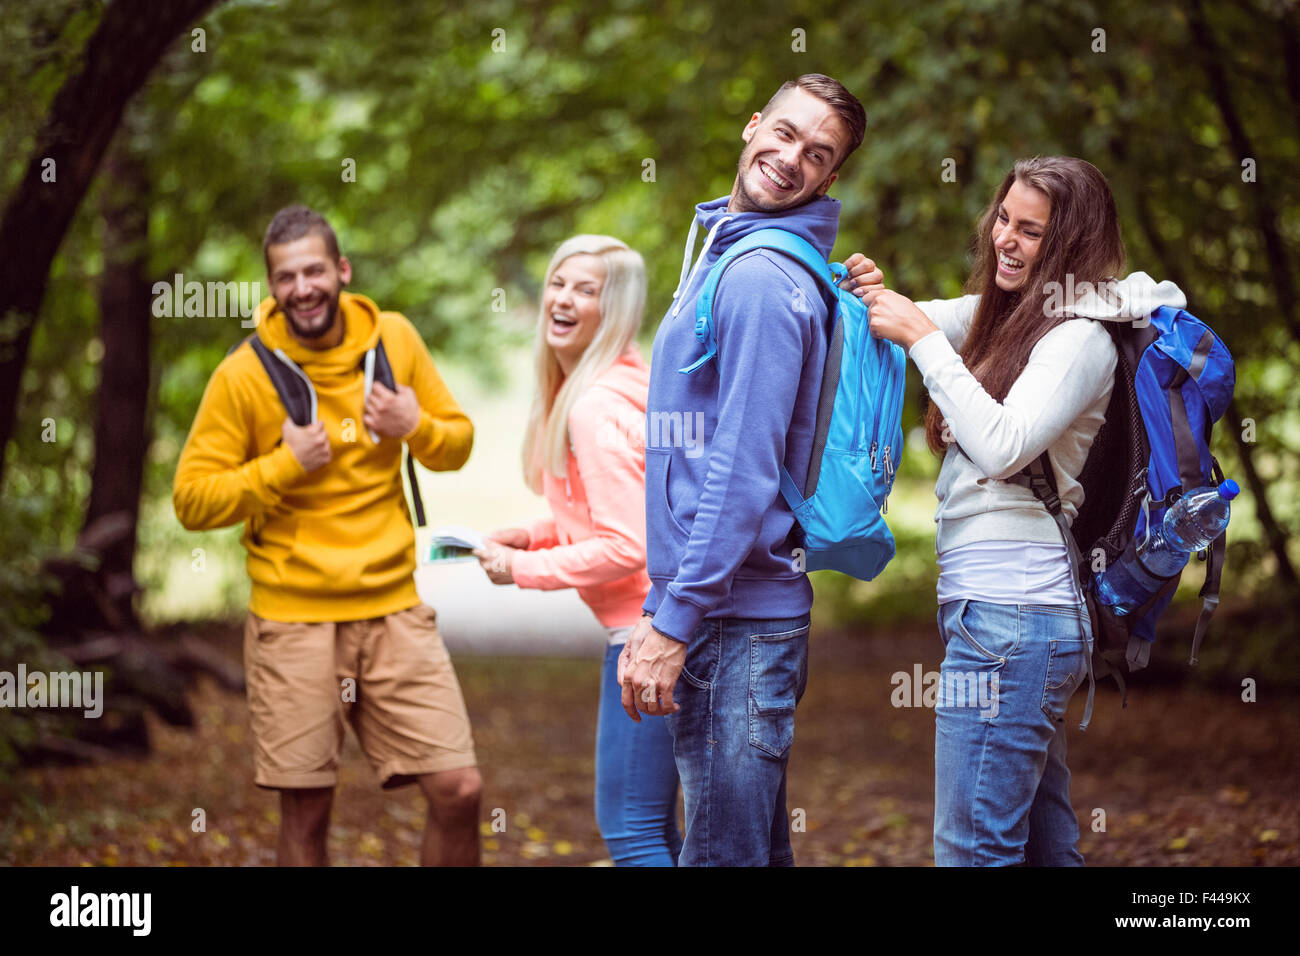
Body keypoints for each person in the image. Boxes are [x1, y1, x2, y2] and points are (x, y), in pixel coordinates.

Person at [843, 156, 1187, 866]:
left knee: (973, 852)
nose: (1007, 238)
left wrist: (924, 343)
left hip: (1013, 623)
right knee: (1042, 848)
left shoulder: (1080, 338)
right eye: (1004, 218)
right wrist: (862, 293)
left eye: (1031, 231)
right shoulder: (1012, 318)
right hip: (1010, 624)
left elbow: (1001, 445)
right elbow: (902, 317)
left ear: (1071, 245)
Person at [173, 205, 482, 866]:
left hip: (393, 610)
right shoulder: (244, 375)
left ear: (341, 270)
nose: (302, 288)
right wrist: (283, 465)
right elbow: (192, 500)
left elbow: (456, 444)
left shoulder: (394, 341)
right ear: (272, 288)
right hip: (294, 623)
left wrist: (413, 425)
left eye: (314, 270)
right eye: (286, 277)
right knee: (308, 812)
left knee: (459, 788)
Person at [617, 73, 867, 867]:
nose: (792, 158)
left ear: (831, 179)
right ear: (754, 124)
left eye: (818, 154)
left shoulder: (761, 276)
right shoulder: (732, 249)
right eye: (786, 133)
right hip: (734, 613)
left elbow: (742, 466)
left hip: (733, 619)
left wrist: (675, 618)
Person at [474, 235, 682, 867]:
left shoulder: (594, 406)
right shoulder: (626, 384)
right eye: (558, 283)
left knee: (633, 829)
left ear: (612, 308)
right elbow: (627, 504)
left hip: (647, 638)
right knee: (660, 829)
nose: (562, 299)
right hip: (671, 629)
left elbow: (627, 545)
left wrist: (521, 568)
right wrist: (535, 532)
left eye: (585, 289)